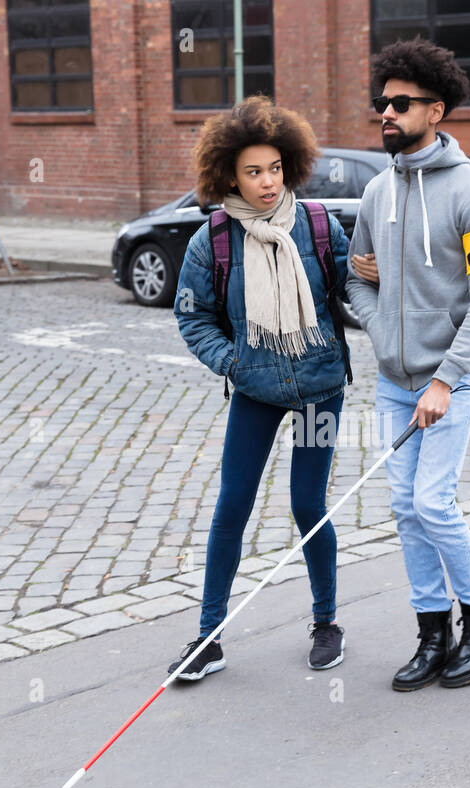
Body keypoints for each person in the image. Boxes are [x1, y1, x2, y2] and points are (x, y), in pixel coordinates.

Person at [346, 39, 470, 691]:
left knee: (433, 502)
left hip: (452, 379)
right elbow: (354, 281)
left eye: (400, 103)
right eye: (380, 103)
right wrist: (382, 319)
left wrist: (446, 379)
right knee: (405, 508)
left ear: (436, 110)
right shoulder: (373, 193)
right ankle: (431, 635)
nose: (386, 112)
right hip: (394, 379)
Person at [171, 95, 350, 680]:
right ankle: (208, 639)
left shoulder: (319, 225)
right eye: (253, 171)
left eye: (274, 168)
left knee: (307, 504)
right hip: (254, 390)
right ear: (230, 175)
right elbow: (192, 316)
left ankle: (326, 623)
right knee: (232, 507)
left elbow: (354, 291)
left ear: (289, 166)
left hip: (320, 386)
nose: (267, 182)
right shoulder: (213, 242)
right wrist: (236, 362)